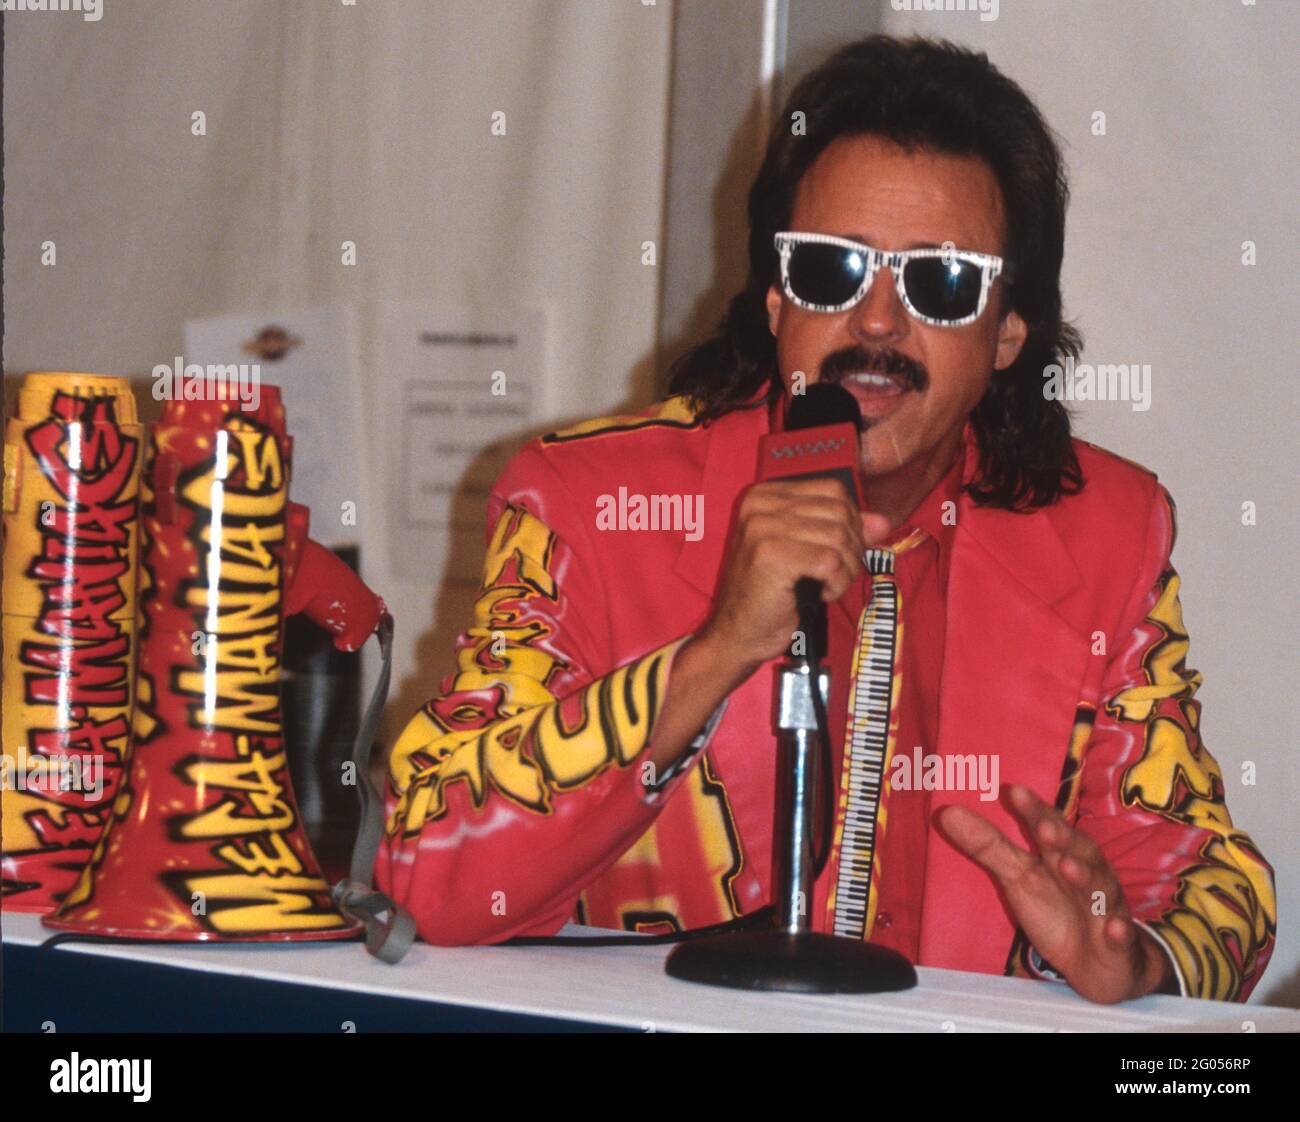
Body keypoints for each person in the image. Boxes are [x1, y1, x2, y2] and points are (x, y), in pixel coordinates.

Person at [375, 35, 1275, 1004]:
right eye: (830, 270)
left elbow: (1212, 884)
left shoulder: (1104, 534)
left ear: (1009, 330)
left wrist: (1133, 955)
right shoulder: (588, 507)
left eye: (938, 283)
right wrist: (708, 659)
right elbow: (425, 865)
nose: (876, 321)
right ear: (773, 299)